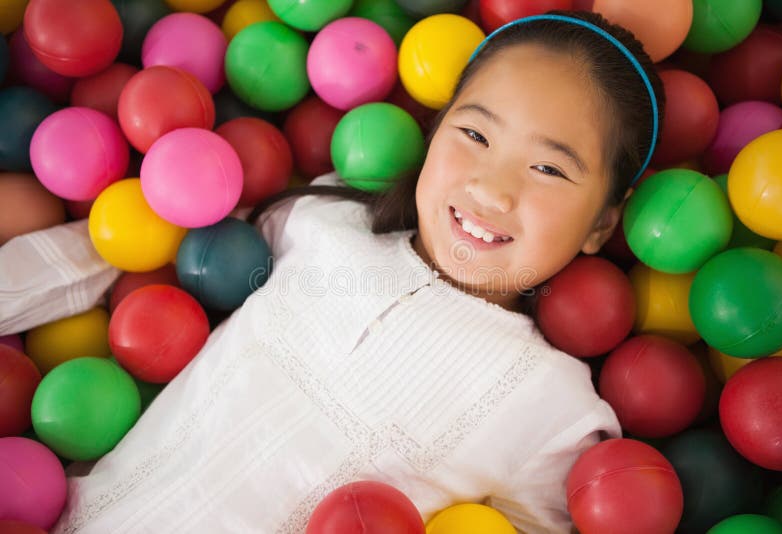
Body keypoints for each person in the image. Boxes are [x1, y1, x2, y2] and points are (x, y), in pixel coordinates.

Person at [0, 10, 664, 533]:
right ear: (435, 131)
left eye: (548, 168)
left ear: (602, 223)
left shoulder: (550, 410)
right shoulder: (325, 223)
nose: (492, 188)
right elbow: (135, 245)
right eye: (475, 135)